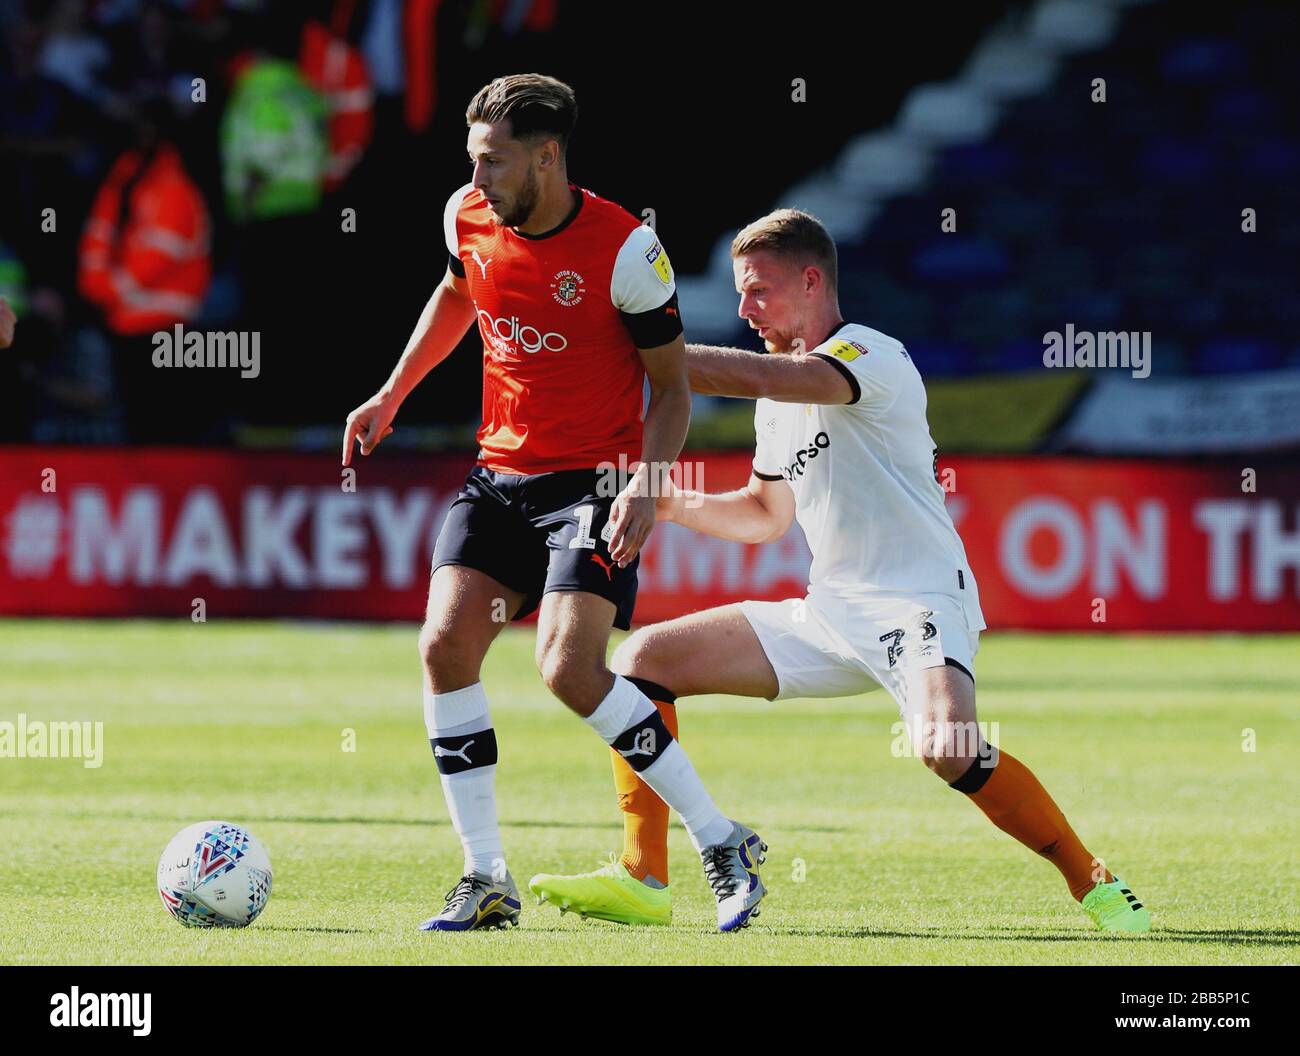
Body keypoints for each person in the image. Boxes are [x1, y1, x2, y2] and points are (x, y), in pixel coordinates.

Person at [530, 209, 1151, 935]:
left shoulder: (870, 355)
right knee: (643, 659)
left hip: (917, 600)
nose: (743, 308)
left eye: (758, 291)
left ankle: (1093, 879)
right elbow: (764, 514)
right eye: (739, 292)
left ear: (812, 280)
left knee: (946, 748)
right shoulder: (778, 398)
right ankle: (645, 875)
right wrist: (664, 501)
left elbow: (771, 375)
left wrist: (645, 351)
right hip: (829, 613)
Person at [343, 74, 766, 933]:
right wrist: (393, 393)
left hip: (596, 480)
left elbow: (675, 392)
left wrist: (647, 488)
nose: (479, 176)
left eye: (494, 161)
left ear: (547, 156)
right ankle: (485, 875)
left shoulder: (624, 250)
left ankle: (722, 840)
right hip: (500, 476)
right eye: (473, 158)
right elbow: (460, 293)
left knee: (568, 670)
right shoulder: (468, 213)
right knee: (443, 646)